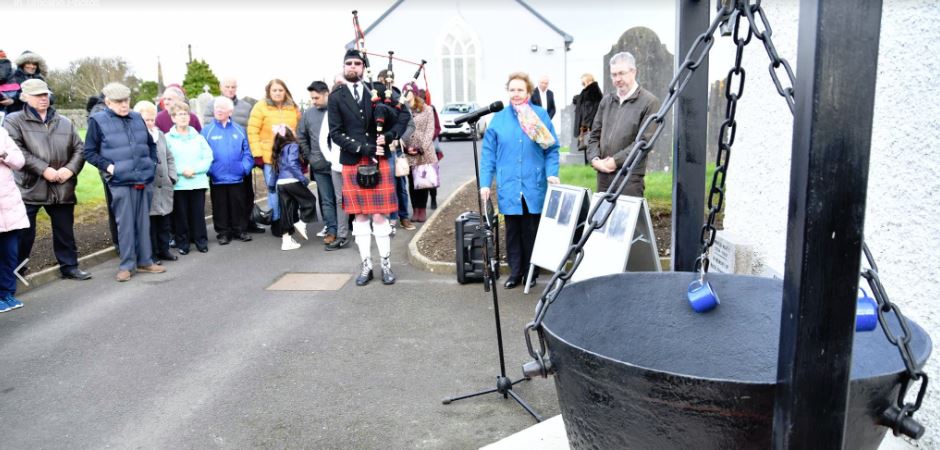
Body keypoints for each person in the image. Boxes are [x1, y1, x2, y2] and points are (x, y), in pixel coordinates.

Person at [328, 49, 411, 286]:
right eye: (349, 63)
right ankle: (366, 265)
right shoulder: (336, 96)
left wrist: (390, 135)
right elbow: (335, 133)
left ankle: (385, 264)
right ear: (344, 67)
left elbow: (403, 115)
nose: (353, 67)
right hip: (354, 159)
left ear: (363, 67)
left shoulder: (378, 91)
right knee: (361, 216)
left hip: (381, 159)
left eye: (357, 63)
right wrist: (364, 149)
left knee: (379, 215)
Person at [2, 79, 91, 281]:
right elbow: (17, 150)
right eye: (37, 95)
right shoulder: (13, 120)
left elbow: (80, 148)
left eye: (45, 94)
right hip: (29, 187)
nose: (43, 98)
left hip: (62, 186)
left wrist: (70, 169)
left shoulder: (65, 122)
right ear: (25, 97)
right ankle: (16, 271)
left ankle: (69, 267)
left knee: (64, 231)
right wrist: (44, 170)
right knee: (23, 235)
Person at [479, 72, 560, 290]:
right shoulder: (499, 119)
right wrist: (485, 183)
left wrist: (552, 172)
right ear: (508, 91)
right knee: (513, 230)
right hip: (510, 185)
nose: (516, 94)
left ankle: (531, 273)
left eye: (520, 90)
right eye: (512, 90)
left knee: (531, 230)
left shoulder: (539, 116)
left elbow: (551, 149)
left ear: (528, 92)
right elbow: (488, 154)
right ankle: (515, 272)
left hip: (533, 184)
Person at [84, 82, 166, 282]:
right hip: (120, 181)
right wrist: (111, 168)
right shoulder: (97, 121)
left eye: (126, 100)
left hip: (143, 179)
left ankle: (145, 261)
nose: (123, 105)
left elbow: (149, 144)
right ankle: (127, 265)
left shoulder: (137, 118)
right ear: (108, 102)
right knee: (126, 224)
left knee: (143, 222)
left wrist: (152, 163)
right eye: (118, 101)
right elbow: (89, 152)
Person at [587, 52, 661, 197]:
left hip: (629, 177)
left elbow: (644, 142)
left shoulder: (649, 102)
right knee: (602, 219)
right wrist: (595, 159)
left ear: (633, 72)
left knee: (628, 220)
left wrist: (615, 161)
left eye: (621, 73)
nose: (617, 79)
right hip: (603, 175)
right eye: (613, 75)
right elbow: (594, 135)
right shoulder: (607, 101)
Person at [247, 79, 300, 235]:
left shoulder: (293, 108)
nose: (277, 93)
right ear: (269, 92)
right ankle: (277, 221)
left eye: (280, 90)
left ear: (286, 91)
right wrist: (257, 155)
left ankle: (289, 219)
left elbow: (299, 130)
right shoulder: (260, 107)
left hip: (289, 157)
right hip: (270, 157)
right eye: (274, 90)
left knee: (290, 189)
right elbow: (252, 131)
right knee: (274, 190)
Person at [202, 96, 253, 245]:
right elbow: (202, 153)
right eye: (217, 107)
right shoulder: (206, 131)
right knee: (220, 206)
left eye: (222, 108)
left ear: (230, 111)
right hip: (217, 177)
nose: (218, 110)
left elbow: (247, 153)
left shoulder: (240, 129)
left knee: (239, 204)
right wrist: (210, 170)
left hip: (237, 177)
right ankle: (223, 233)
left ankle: (240, 230)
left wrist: (244, 168)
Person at [165, 102, 213, 254]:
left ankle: (201, 242)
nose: (184, 117)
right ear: (173, 118)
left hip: (197, 182)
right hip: (179, 184)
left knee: (198, 215)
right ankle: (183, 244)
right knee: (181, 216)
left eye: (186, 113)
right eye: (180, 114)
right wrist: (181, 171)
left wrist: (195, 170)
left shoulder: (198, 137)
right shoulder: (167, 138)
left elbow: (208, 157)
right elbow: (166, 160)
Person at [133, 101, 178, 264]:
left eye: (152, 120)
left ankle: (164, 249)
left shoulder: (160, 135)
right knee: (150, 224)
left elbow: (169, 157)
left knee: (164, 221)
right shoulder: (135, 137)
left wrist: (172, 176)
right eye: (147, 120)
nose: (150, 123)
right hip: (148, 187)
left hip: (164, 185)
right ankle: (152, 253)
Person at [298, 80, 340, 246]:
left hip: (339, 163)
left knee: (342, 198)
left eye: (316, 98)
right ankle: (331, 230)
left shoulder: (337, 110)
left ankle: (346, 228)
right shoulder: (308, 114)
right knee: (326, 200)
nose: (313, 101)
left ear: (326, 94)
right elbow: (301, 136)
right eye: (312, 98)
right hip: (320, 165)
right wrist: (310, 157)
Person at [271, 126, 317, 250]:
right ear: (291, 134)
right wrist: (303, 179)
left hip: (281, 183)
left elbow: (274, 170)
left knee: (286, 211)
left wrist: (271, 185)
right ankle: (301, 223)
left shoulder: (277, 150)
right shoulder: (293, 146)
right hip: (292, 180)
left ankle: (286, 241)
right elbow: (292, 164)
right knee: (310, 201)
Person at [0, 127, 28, 312]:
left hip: (8, 205)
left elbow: (19, 161)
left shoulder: (1, 132)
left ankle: (6, 293)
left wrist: (3, 154)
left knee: (9, 253)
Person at [401, 82, 437, 223]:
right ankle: (415, 209)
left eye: (409, 91)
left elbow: (430, 130)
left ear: (414, 93)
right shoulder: (402, 109)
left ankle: (422, 210)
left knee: (423, 182)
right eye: (404, 91)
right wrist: (405, 147)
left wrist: (421, 147)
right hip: (408, 151)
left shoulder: (427, 109)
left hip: (424, 152)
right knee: (411, 182)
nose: (406, 94)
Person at [572, 73, 603, 163]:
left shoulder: (593, 90)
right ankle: (589, 163)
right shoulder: (588, 91)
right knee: (586, 142)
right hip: (587, 122)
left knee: (589, 141)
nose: (583, 85)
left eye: (584, 82)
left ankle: (592, 162)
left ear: (589, 81)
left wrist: (587, 123)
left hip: (589, 122)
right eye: (582, 83)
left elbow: (592, 108)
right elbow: (584, 101)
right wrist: (577, 99)